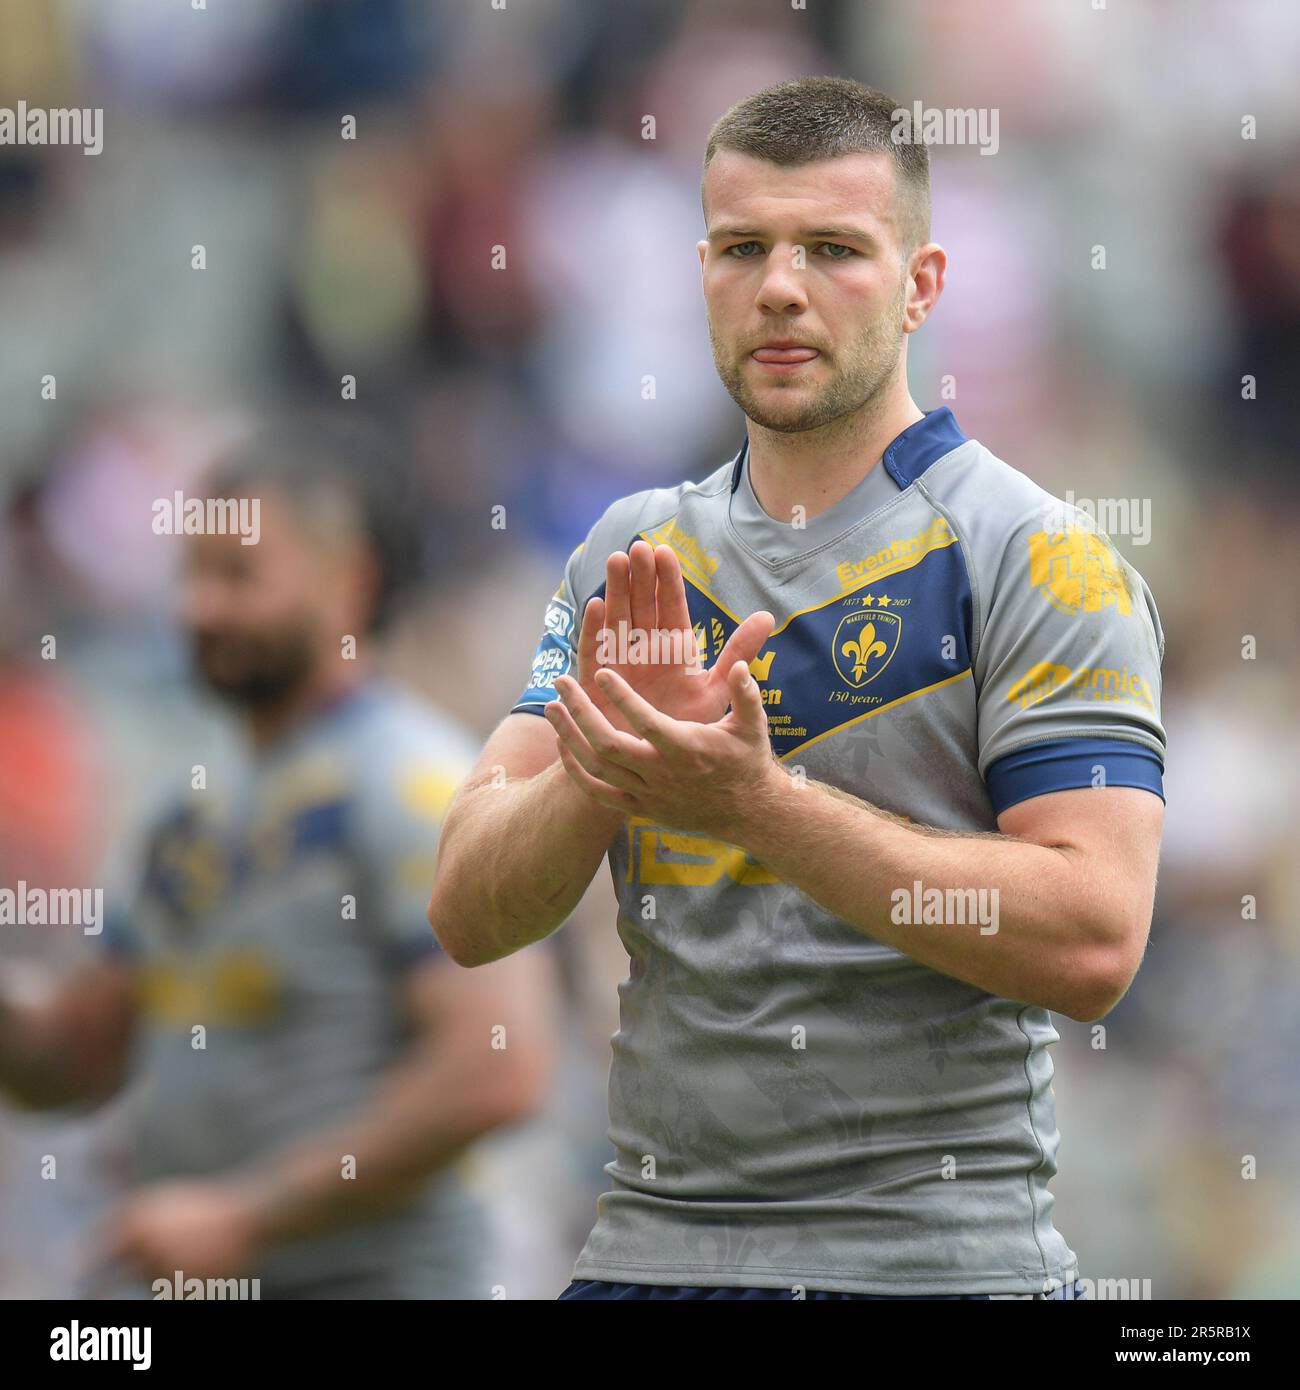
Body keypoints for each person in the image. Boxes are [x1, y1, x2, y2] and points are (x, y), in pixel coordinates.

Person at [426, 77, 1166, 1301]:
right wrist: (605, 770)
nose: (780, 284)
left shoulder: (1039, 555)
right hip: (647, 1255)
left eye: (833, 248)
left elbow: (1094, 937)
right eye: (742, 247)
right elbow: (466, 909)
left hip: (934, 1266)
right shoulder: (631, 552)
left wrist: (757, 806)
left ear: (923, 285)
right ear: (701, 272)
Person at [0, 417, 555, 1299]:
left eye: (238, 577)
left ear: (349, 585)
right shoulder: (191, 812)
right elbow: (71, 1056)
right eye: (191, 576)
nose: (199, 608)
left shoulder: (416, 785)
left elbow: (497, 1068)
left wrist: (244, 1219)